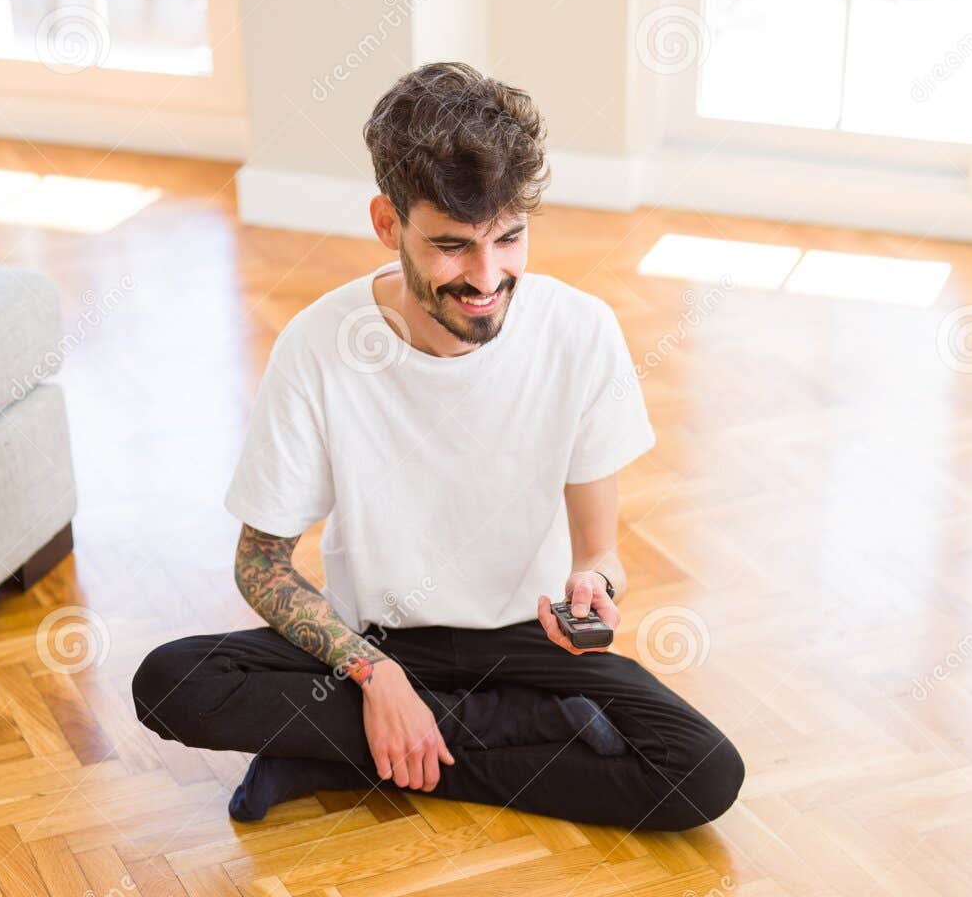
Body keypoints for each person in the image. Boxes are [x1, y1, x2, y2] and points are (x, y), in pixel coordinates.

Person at [131, 62, 744, 833]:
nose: (487, 278)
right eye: (453, 247)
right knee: (172, 682)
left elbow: (600, 555)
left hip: (529, 643)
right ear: (388, 225)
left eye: (510, 238)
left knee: (701, 772)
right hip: (379, 641)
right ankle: (493, 734)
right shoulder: (321, 345)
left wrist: (595, 584)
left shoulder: (580, 332)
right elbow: (259, 562)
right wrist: (373, 673)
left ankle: (337, 756)